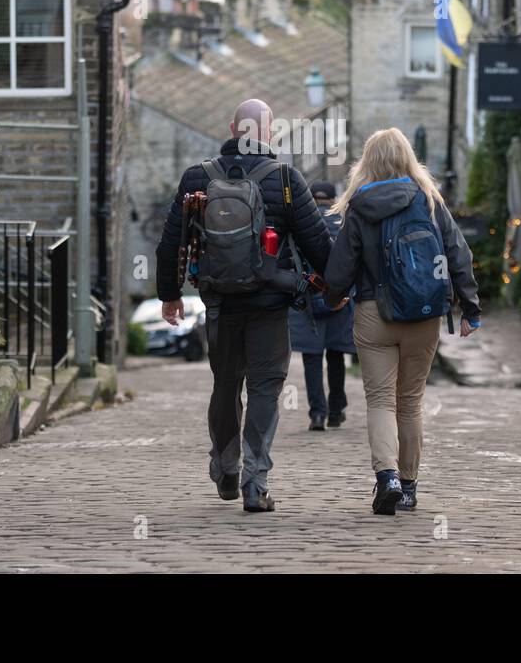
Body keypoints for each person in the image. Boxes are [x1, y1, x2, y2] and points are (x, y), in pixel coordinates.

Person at [156, 99, 332, 513]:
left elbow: (170, 243)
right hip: (271, 303)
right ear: (268, 133)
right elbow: (319, 245)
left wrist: (170, 294)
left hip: (219, 303)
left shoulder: (197, 177)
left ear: (234, 127)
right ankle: (256, 481)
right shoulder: (287, 180)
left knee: (225, 384)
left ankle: (225, 466)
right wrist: (337, 288)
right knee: (265, 388)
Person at [321, 128, 480, 515]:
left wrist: (332, 298)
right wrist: (470, 307)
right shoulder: (428, 201)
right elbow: (458, 253)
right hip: (423, 314)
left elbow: (341, 266)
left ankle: (387, 477)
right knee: (409, 402)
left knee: (379, 399)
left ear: (367, 163)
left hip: (374, 313)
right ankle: (408, 487)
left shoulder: (358, 207)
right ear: (408, 158)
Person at [289, 181, 354, 431]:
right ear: (333, 197)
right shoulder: (345, 221)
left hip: (308, 299)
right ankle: (336, 410)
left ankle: (317, 413)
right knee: (336, 355)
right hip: (340, 298)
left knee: (312, 358)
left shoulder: (301, 222)